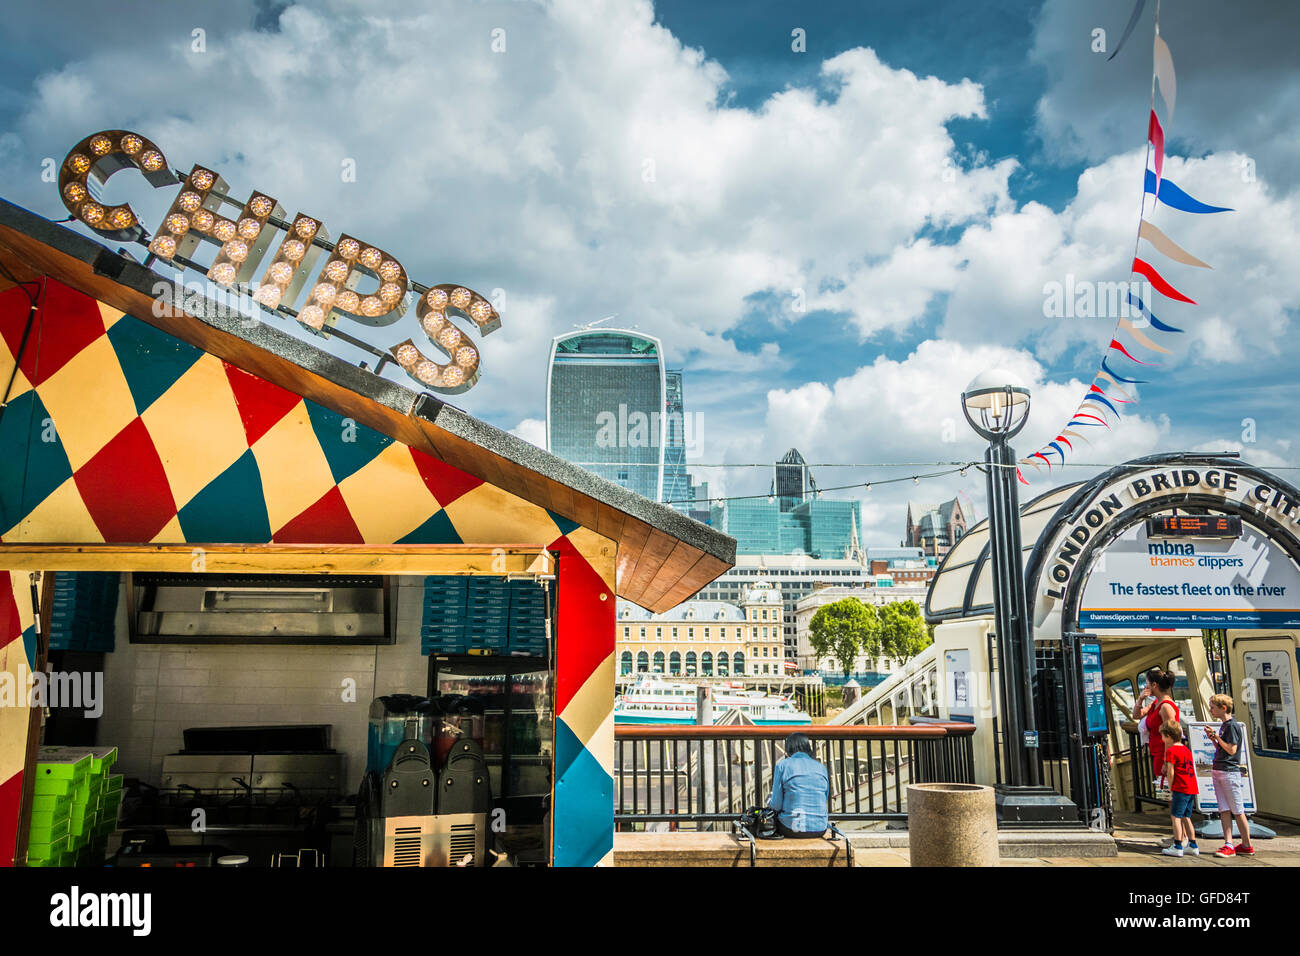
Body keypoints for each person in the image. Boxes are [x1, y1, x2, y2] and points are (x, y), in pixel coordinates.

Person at [1205, 694, 1254, 858]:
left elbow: (1232, 750)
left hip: (1228, 771)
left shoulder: (1231, 726)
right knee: (1224, 809)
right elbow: (1224, 748)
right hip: (1220, 769)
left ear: (1223, 708)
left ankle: (1246, 844)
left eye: (1213, 707)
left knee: (1237, 810)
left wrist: (1217, 737)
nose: (1211, 710)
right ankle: (1229, 843)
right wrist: (1215, 739)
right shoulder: (1225, 725)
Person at [767, 733, 830, 838]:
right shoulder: (821, 768)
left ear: (788, 748)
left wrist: (769, 801)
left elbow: (776, 805)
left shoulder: (782, 766)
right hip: (820, 828)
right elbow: (825, 797)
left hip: (791, 828)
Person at [1159, 722, 1200, 858]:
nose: (1162, 739)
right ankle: (1193, 845)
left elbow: (1170, 771)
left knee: (1175, 817)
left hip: (1180, 787)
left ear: (1169, 736)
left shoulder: (1171, 751)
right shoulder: (1186, 750)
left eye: (1163, 736)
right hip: (1191, 787)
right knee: (1186, 817)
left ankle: (1177, 845)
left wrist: (1171, 786)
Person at [1134, 669, 1180, 789]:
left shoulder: (1165, 707)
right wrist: (1140, 700)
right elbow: (1136, 715)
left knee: (1168, 791)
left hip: (1164, 754)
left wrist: (1167, 762)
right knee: (1164, 792)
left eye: (1147, 683)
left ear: (1154, 685)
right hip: (1157, 753)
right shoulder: (1155, 703)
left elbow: (1171, 735)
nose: (1145, 686)